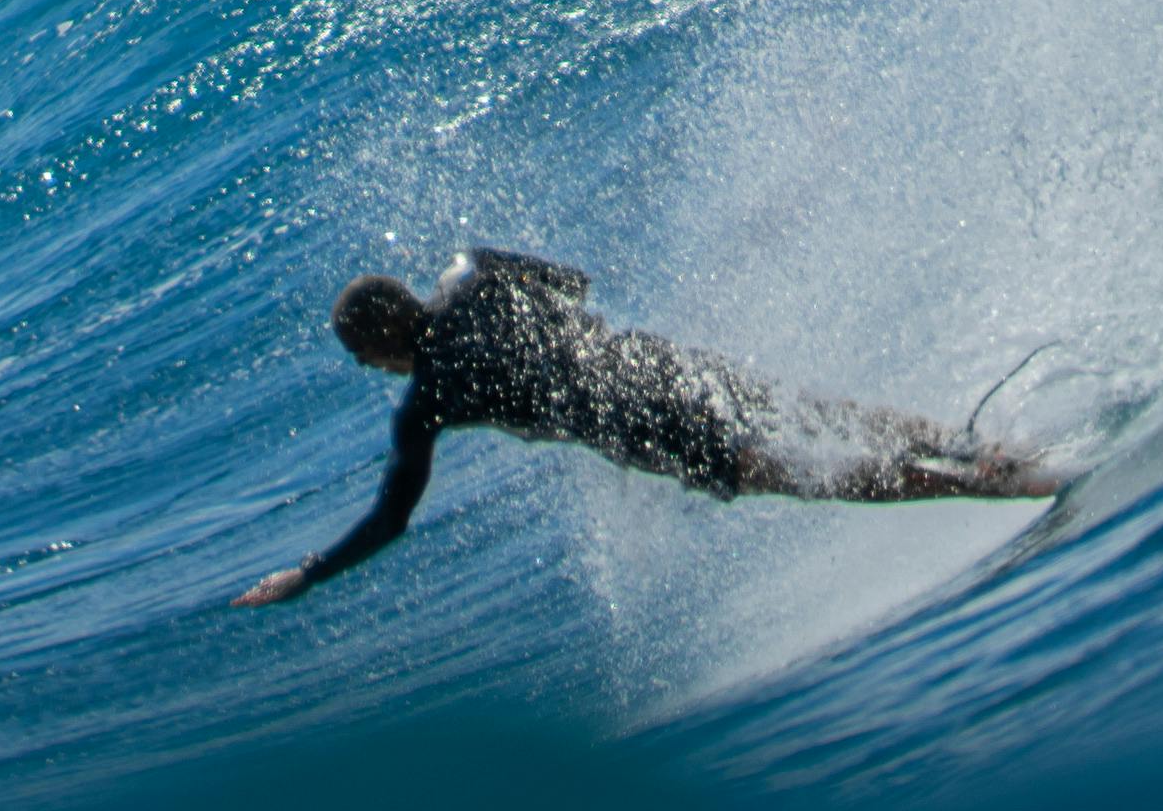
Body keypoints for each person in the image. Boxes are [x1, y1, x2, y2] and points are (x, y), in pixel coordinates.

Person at [236, 248, 1066, 605]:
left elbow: (391, 519)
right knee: (809, 406)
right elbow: (572, 281)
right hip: (643, 360)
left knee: (794, 471)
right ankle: (975, 446)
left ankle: (993, 486)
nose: (364, 369)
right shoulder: (473, 272)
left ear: (383, 339)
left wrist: (305, 575)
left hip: (629, 422)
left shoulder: (426, 403)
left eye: (360, 355)